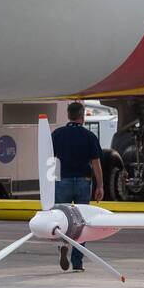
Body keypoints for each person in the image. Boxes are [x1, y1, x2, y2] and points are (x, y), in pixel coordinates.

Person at [50, 101, 102, 271]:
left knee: (62, 219)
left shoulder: (57, 134)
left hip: (63, 180)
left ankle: (63, 244)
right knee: (82, 222)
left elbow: (49, 160)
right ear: (82, 116)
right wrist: (100, 186)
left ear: (68, 115)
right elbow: (96, 164)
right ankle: (77, 263)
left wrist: (51, 181)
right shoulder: (89, 136)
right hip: (83, 181)